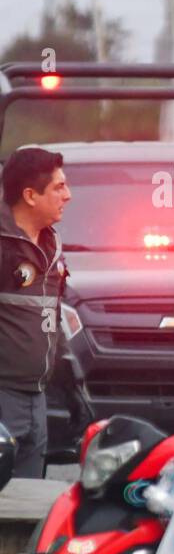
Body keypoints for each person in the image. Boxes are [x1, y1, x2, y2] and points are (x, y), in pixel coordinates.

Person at [0, 147, 72, 477]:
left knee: (29, 506)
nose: (67, 196)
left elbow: (52, 316)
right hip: (3, 399)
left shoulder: (50, 246)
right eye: (58, 187)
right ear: (30, 195)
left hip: (36, 399)